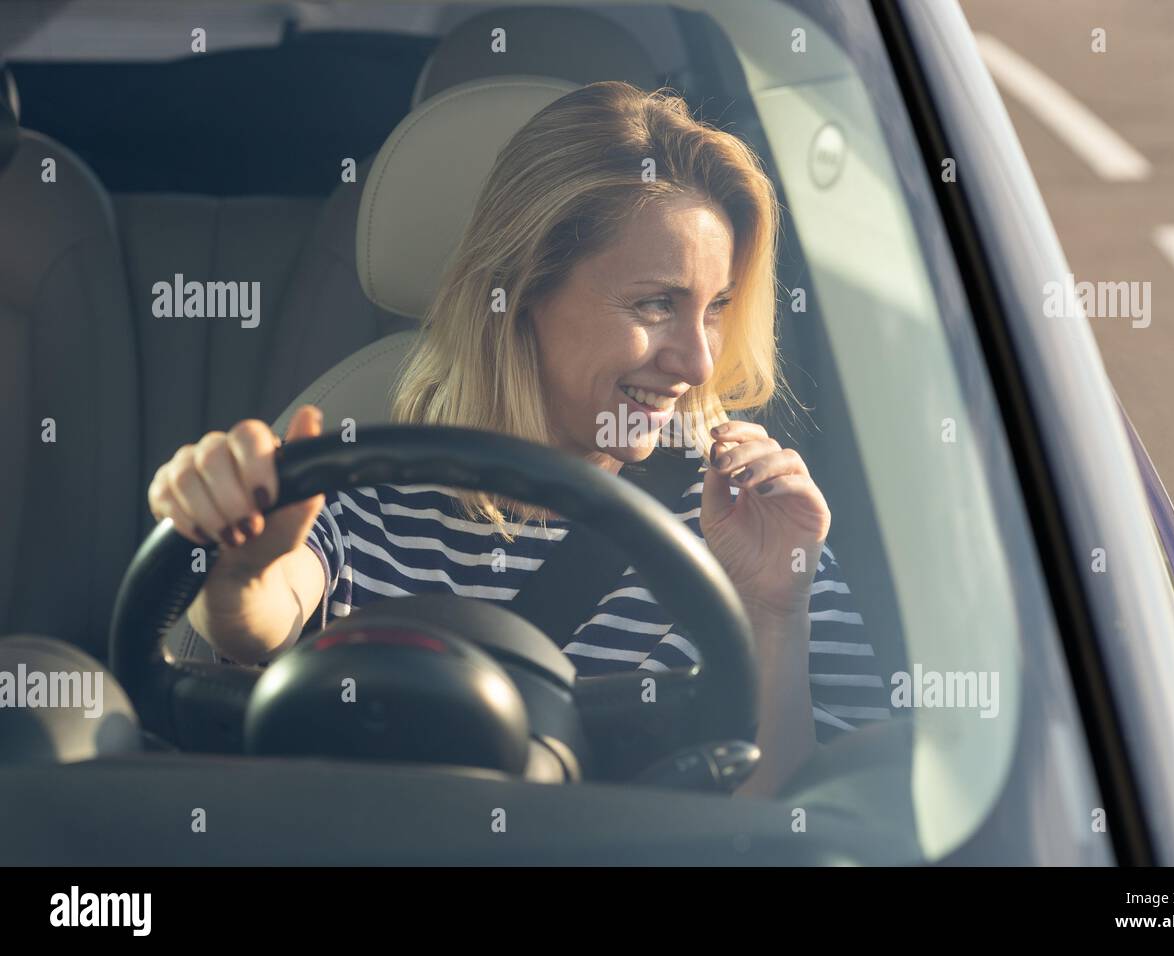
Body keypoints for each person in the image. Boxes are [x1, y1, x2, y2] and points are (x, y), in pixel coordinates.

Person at [148, 81, 886, 797]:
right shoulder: (359, 493)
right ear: (524, 291)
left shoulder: (748, 530)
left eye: (716, 308)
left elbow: (803, 830)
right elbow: (250, 627)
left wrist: (772, 611)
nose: (697, 362)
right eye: (656, 304)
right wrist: (241, 567)